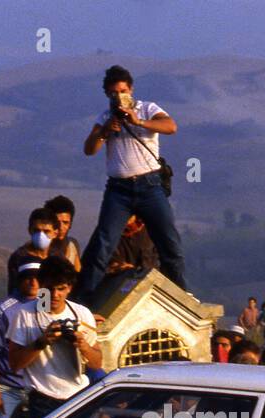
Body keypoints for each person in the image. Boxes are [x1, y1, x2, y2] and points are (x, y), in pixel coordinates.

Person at [77, 64, 185, 300]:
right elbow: (89, 149)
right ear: (107, 94)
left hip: (150, 186)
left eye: (123, 91)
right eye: (114, 93)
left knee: (169, 243)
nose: (119, 97)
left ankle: (181, 296)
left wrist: (138, 122)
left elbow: (170, 126)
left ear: (131, 90)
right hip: (119, 190)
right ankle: (83, 302)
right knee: (103, 246)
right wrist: (105, 131)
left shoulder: (147, 109)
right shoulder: (104, 118)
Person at [6, 255, 102, 418]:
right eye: (49, 289)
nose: (55, 295)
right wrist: (42, 342)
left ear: (69, 288)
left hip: (77, 398)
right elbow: (14, 364)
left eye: (61, 289)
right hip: (41, 401)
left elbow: (97, 362)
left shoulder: (81, 314)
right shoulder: (25, 314)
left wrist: (83, 346)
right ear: (41, 285)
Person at [0, 258, 39, 418]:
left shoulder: (46, 305)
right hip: (8, 387)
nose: (33, 282)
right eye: (27, 277)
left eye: (38, 277)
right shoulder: (4, 310)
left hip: (38, 389)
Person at [7, 207, 57, 296]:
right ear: (30, 230)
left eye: (46, 231)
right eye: (37, 230)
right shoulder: (20, 257)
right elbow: (15, 290)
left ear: (55, 233)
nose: (41, 235)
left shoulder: (57, 257)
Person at [44, 195, 80, 271]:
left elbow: (78, 274)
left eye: (65, 222)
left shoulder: (72, 246)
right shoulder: (41, 249)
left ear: (70, 224)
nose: (61, 227)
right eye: (56, 222)